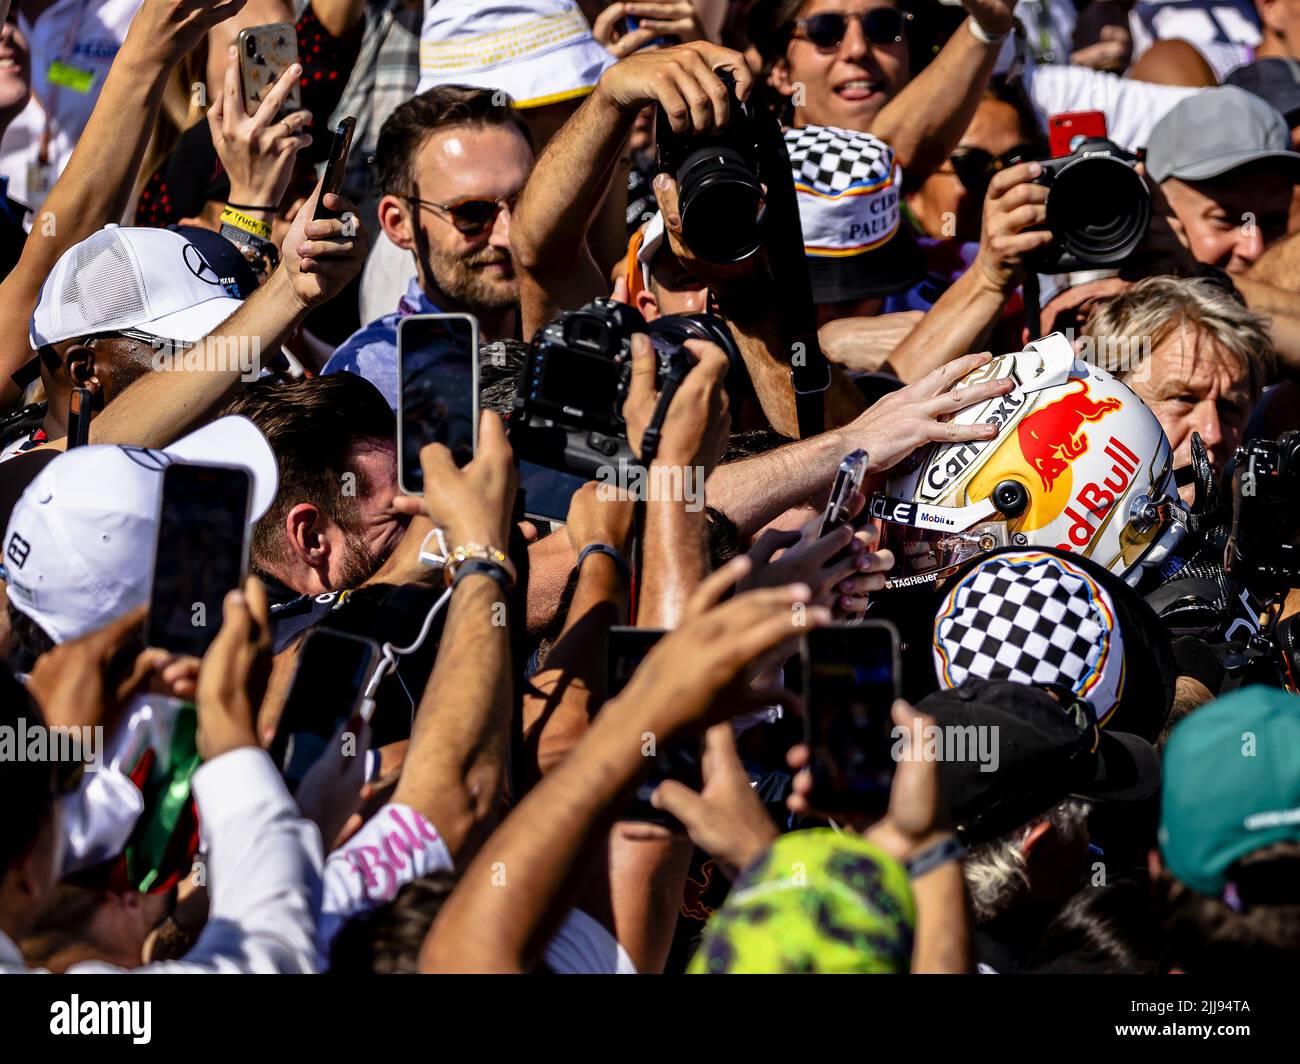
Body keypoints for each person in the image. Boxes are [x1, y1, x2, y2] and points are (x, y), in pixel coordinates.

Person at [321, 86, 534, 410]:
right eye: (472, 212)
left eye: (525, 204)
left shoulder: (567, 339)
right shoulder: (371, 378)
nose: (507, 235)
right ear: (398, 224)